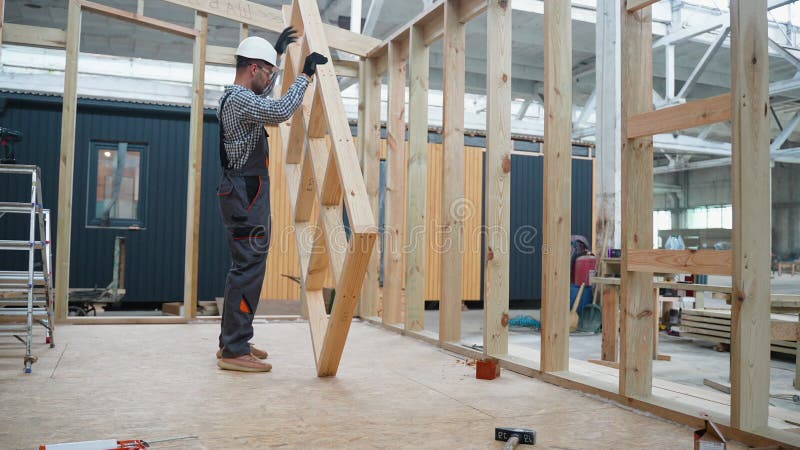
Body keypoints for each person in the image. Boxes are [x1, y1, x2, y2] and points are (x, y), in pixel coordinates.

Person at [215, 28, 328, 372]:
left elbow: (266, 103)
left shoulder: (240, 98)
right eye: (268, 73)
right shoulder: (237, 98)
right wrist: (305, 75)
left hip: (245, 193)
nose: (271, 79)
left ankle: (235, 341)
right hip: (245, 195)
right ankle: (234, 350)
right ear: (253, 69)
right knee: (247, 268)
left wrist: (276, 58)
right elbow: (279, 111)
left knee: (247, 267)